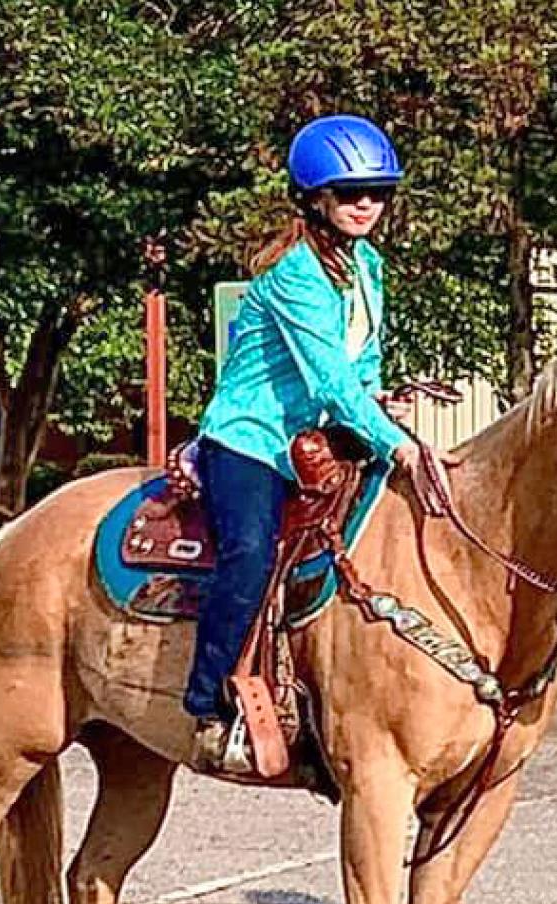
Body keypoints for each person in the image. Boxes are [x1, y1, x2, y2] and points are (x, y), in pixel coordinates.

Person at [185, 113, 457, 776]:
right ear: (314, 199)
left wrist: (381, 407)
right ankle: (206, 704)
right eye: (350, 193)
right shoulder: (294, 277)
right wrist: (396, 445)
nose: (367, 205)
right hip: (252, 441)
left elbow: (360, 370)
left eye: (379, 192)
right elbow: (329, 377)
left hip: (322, 437)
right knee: (249, 553)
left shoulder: (368, 267)